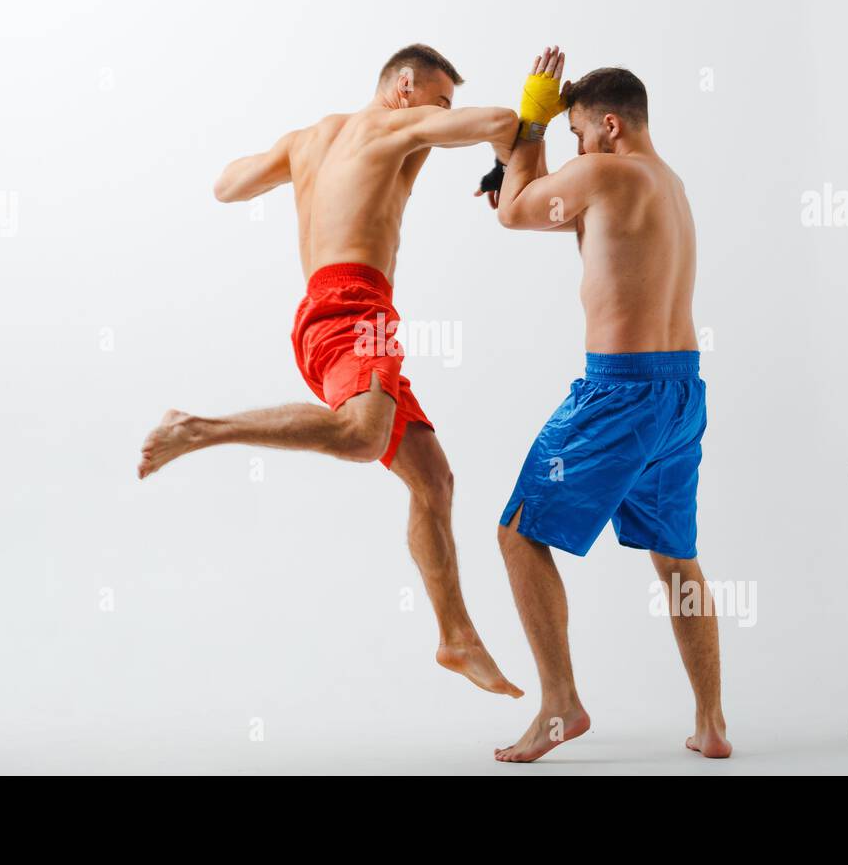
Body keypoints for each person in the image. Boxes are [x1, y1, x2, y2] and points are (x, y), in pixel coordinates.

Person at [138, 44, 523, 698]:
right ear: (404, 84)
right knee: (364, 435)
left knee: (434, 480)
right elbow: (503, 123)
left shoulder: (308, 139)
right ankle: (197, 427)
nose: (440, 115)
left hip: (324, 313)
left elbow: (226, 185)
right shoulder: (395, 123)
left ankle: (455, 636)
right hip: (357, 311)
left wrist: (301, 169)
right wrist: (503, 162)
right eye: (438, 99)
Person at [487, 47, 731, 761]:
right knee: (676, 559)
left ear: (611, 127)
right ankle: (711, 723)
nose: (576, 150)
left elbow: (512, 215)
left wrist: (530, 121)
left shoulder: (605, 172)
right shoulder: (666, 183)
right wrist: (517, 180)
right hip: (680, 394)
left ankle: (561, 705)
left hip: (617, 394)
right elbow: (540, 208)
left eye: (578, 136)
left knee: (517, 533)